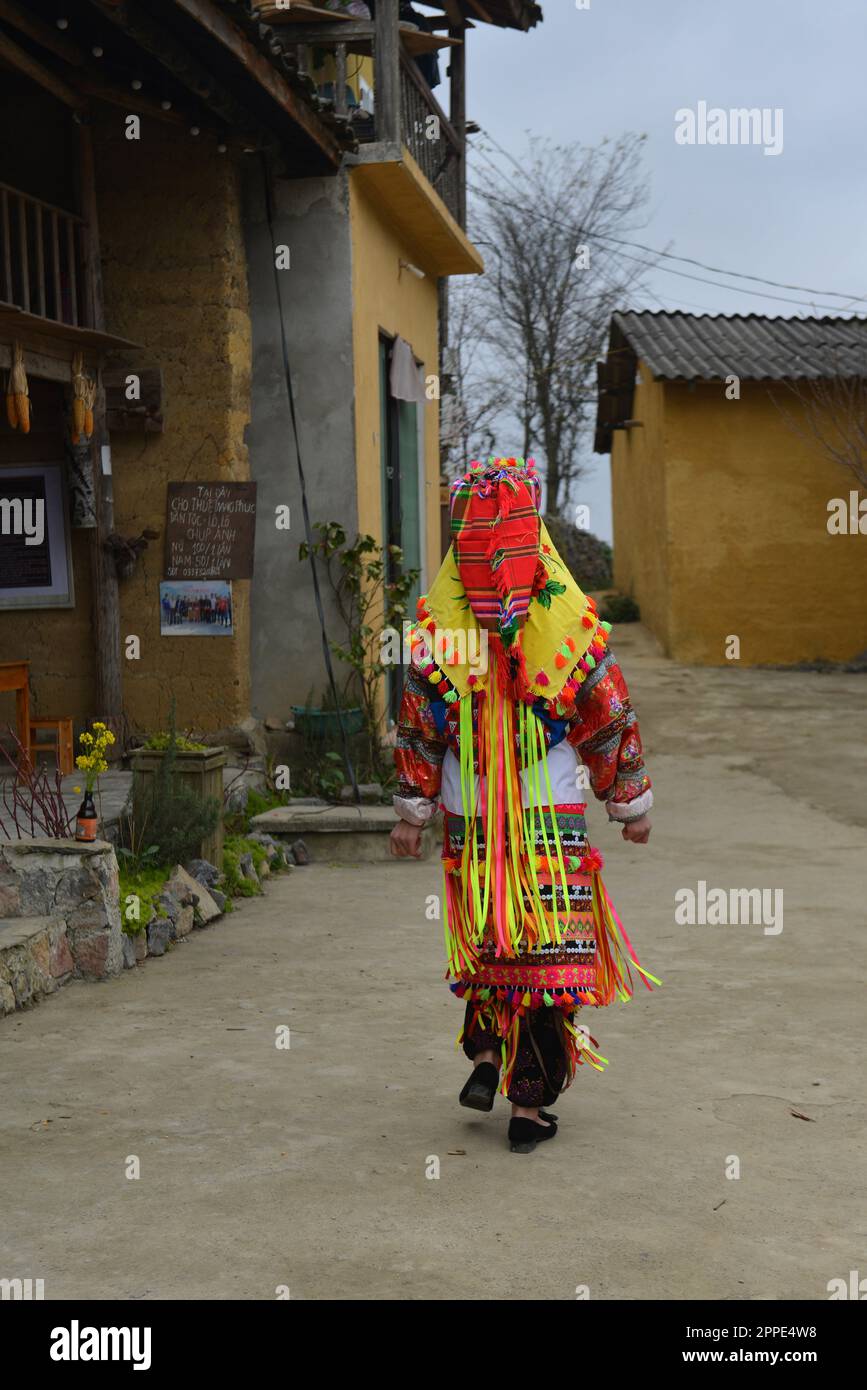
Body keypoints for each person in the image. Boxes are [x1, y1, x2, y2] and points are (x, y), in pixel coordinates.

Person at [390, 458, 657, 1154]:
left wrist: (409, 813)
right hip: (550, 817)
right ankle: (527, 1110)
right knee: (546, 957)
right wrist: (629, 803)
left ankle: (483, 1058)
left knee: (489, 940)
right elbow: (608, 716)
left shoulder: (438, 626)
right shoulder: (565, 620)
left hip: (471, 815)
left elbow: (418, 726)